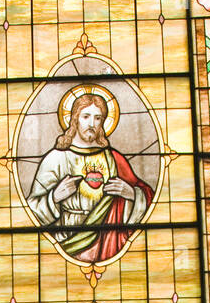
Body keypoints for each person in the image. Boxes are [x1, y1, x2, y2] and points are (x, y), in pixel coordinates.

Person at [27, 92, 152, 263]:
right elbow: (29, 213)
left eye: (98, 118)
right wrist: (54, 198)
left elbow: (150, 202)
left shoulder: (113, 158)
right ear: (75, 119)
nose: (91, 124)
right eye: (86, 116)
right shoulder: (55, 159)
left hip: (108, 242)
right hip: (64, 244)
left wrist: (131, 194)